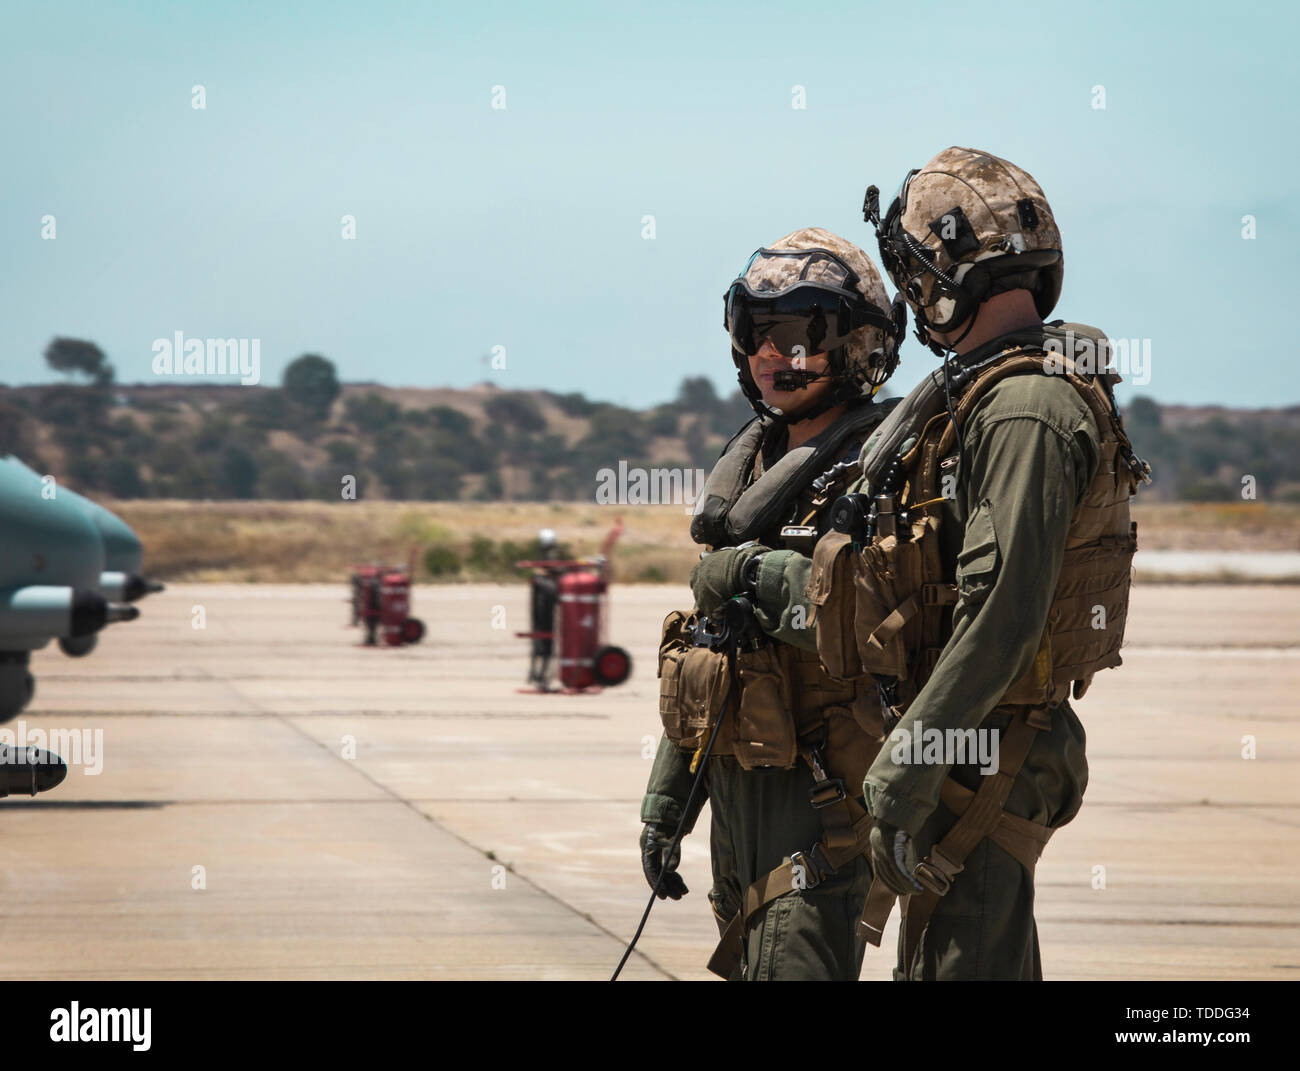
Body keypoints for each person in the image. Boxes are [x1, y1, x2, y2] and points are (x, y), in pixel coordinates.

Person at [792, 147, 1148, 979]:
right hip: (971, 742)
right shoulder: (994, 392)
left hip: (990, 750)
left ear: (943, 279)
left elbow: (1003, 616)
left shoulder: (1024, 408)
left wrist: (908, 765)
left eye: (915, 276)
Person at [639, 227, 905, 980]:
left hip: (821, 807)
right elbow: (712, 654)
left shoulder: (883, 468)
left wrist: (750, 573)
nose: (766, 353)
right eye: (752, 329)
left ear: (856, 345)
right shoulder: (757, 465)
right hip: (738, 805)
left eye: (794, 333)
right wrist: (667, 805)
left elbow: (873, 628)